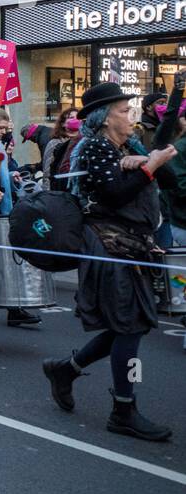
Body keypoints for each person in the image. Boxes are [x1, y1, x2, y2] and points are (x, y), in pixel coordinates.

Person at [41, 82, 175, 442]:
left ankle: (66, 370)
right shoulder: (95, 147)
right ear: (102, 119)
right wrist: (145, 169)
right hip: (109, 247)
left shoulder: (126, 144)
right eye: (121, 111)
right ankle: (123, 409)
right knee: (129, 327)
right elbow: (113, 194)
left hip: (133, 246)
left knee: (127, 326)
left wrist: (145, 160)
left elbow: (170, 179)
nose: (129, 116)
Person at [0, 107, 43, 328]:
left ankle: (14, 309)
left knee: (5, 258)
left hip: (0, 206)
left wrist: (10, 175)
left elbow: (0, 173)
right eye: (0, 127)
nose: (3, 132)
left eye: (6, 128)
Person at [42, 109, 81, 190]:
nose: (75, 120)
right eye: (71, 117)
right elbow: (47, 172)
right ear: (63, 123)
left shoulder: (82, 142)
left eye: (78, 118)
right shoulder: (55, 143)